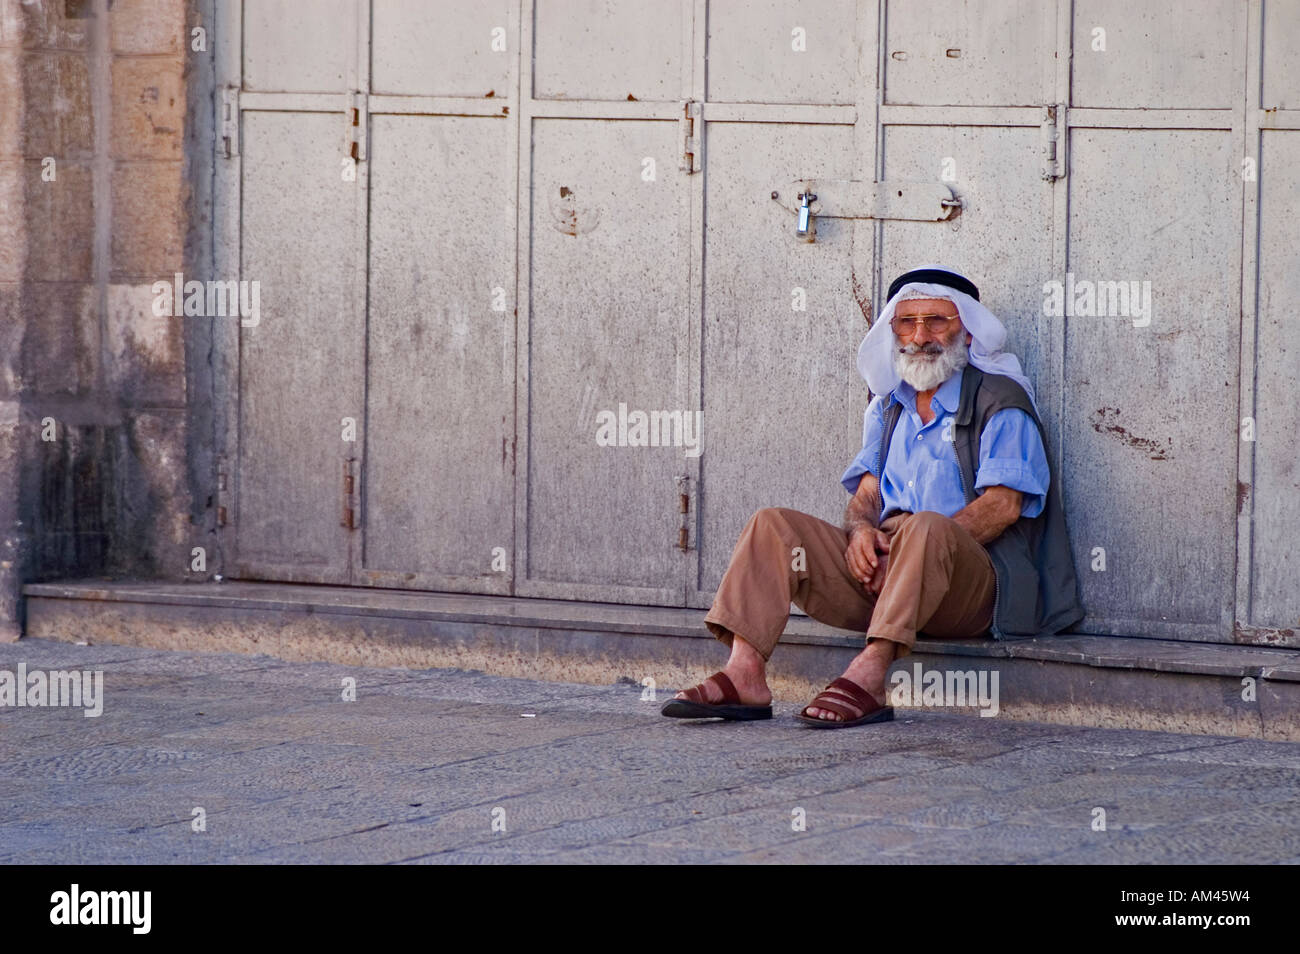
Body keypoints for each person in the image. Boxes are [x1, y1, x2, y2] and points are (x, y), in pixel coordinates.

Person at [661, 266, 1084, 728]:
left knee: (926, 527)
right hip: (888, 575)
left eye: (936, 321)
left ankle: (870, 674)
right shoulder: (888, 404)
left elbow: (1004, 506)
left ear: (965, 330)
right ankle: (745, 674)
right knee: (773, 526)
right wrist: (862, 531)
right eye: (907, 322)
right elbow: (866, 494)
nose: (920, 336)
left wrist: (912, 553)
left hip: (973, 586)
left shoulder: (1001, 401)